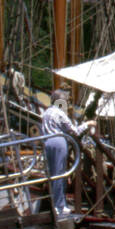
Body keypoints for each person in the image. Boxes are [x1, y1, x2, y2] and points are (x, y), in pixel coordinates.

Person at [41, 88, 94, 217]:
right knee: (60, 174)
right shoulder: (60, 113)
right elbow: (74, 131)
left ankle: (55, 203)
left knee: (52, 174)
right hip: (59, 142)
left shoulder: (46, 113)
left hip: (47, 142)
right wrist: (88, 124)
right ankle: (60, 206)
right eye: (64, 101)